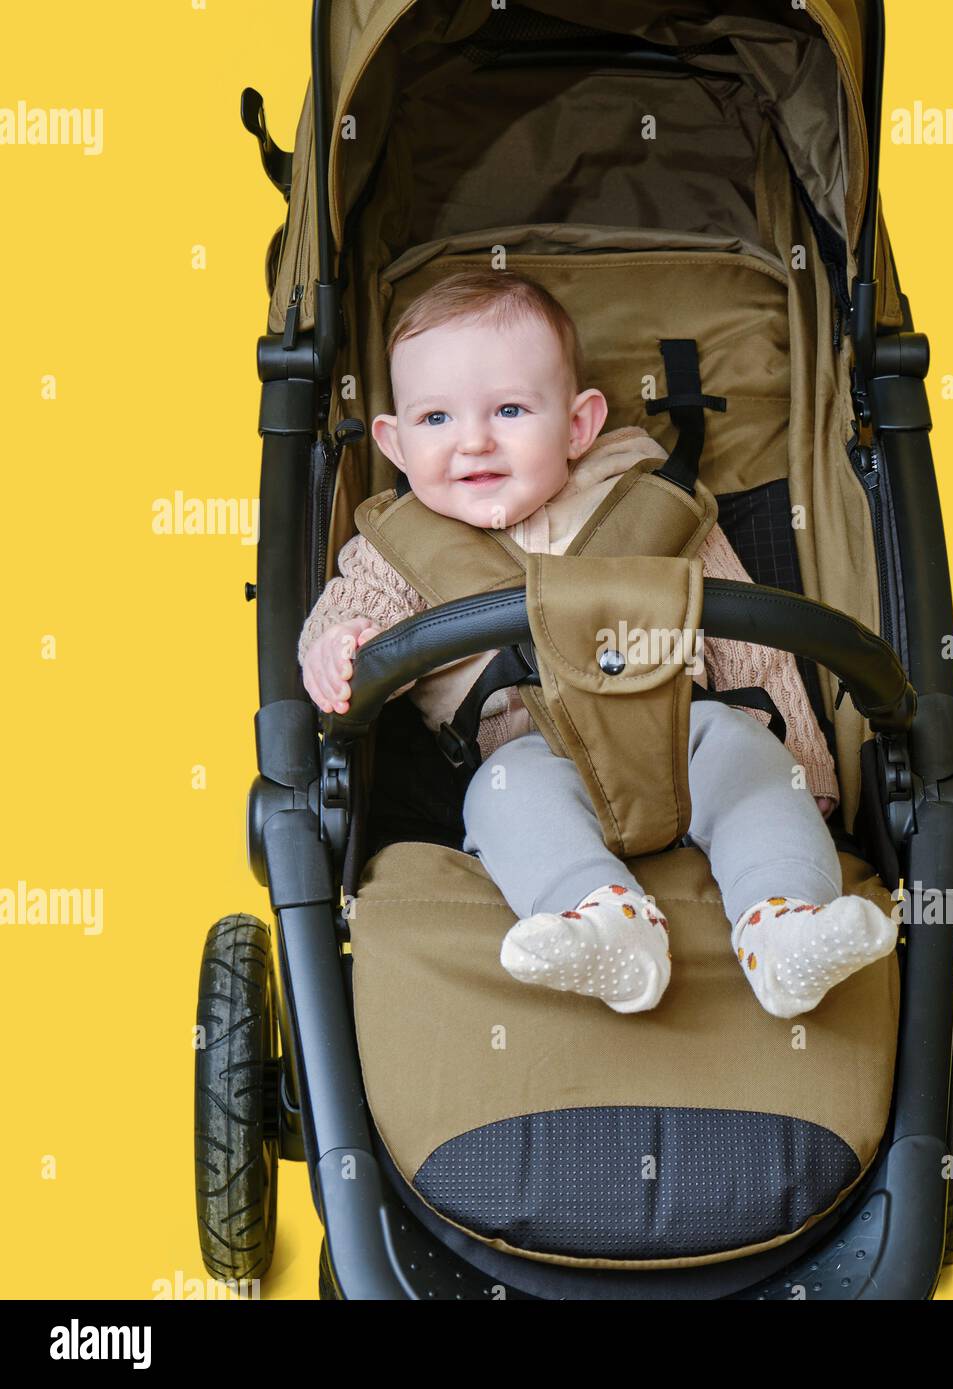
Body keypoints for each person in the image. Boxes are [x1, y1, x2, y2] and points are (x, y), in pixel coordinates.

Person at [299, 269, 896, 1018]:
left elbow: (752, 640)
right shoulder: (399, 549)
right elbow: (341, 616)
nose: (473, 440)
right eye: (436, 420)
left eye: (510, 409)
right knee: (502, 798)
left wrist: (807, 771)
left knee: (756, 767)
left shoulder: (648, 500)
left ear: (579, 425)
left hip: (683, 734)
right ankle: (605, 923)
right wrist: (329, 649)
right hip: (533, 758)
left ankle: (784, 927)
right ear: (393, 440)